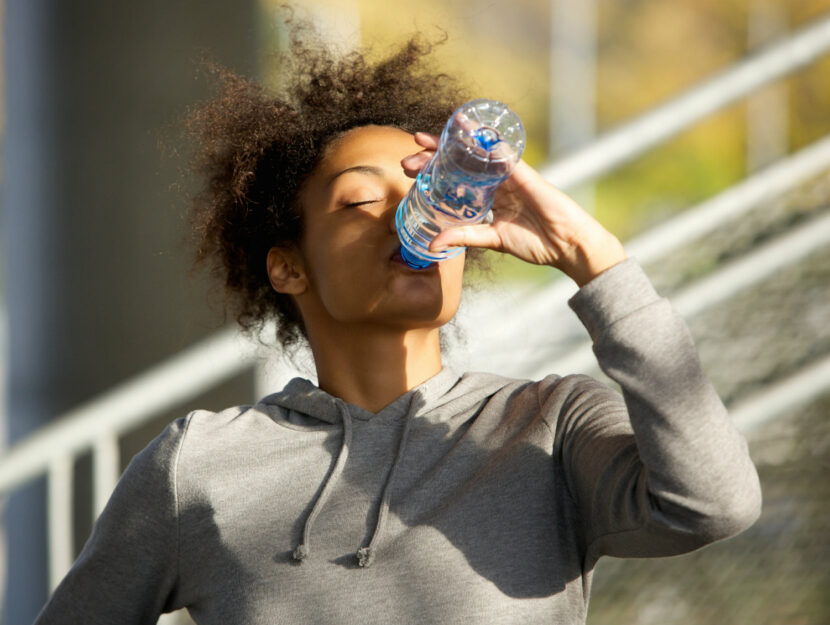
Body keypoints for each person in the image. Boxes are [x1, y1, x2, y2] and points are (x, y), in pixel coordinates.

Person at [34, 20, 762, 625]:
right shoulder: (197, 462)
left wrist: (593, 260)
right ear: (288, 266)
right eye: (359, 202)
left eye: (429, 192)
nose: (408, 216)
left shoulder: (548, 424)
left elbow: (713, 504)